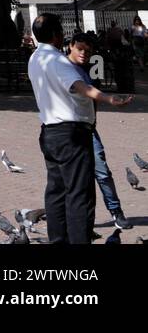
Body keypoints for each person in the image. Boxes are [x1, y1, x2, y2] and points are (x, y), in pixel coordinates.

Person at [28, 13, 132, 244]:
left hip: (50, 133)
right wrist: (108, 99)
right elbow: (78, 86)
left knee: (56, 191)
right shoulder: (57, 60)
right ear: (57, 35)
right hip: (71, 134)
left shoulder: (35, 58)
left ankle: (58, 240)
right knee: (79, 193)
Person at [68, 32, 132, 230]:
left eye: (88, 51)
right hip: (67, 130)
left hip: (88, 128)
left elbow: (95, 94)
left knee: (102, 171)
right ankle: (78, 219)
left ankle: (116, 211)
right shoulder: (62, 68)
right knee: (74, 178)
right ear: (71, 45)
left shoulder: (93, 67)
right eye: (80, 49)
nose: (84, 54)